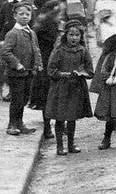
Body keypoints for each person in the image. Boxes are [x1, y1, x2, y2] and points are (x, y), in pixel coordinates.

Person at [45, 18, 93, 156]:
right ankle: (60, 146)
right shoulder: (59, 51)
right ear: (65, 35)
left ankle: (71, 144)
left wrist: (81, 73)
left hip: (76, 89)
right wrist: (64, 74)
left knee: (72, 117)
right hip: (60, 88)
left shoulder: (83, 51)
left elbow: (90, 71)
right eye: (71, 35)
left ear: (81, 36)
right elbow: (51, 70)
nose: (74, 38)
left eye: (77, 35)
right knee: (60, 117)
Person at [0, 0, 43, 136]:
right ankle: (12, 124)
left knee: (24, 99)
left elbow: (36, 50)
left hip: (29, 73)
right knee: (17, 100)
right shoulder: (13, 33)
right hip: (16, 74)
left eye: (28, 14)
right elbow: (5, 52)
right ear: (15, 16)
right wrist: (17, 64)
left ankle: (20, 123)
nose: (25, 16)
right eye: (21, 14)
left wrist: (38, 64)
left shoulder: (32, 33)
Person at [30, 0, 63, 139]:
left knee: (59, 95)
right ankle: (47, 126)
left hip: (56, 63)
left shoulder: (55, 24)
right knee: (47, 96)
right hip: (46, 64)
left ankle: (58, 125)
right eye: (59, 13)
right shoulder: (43, 26)